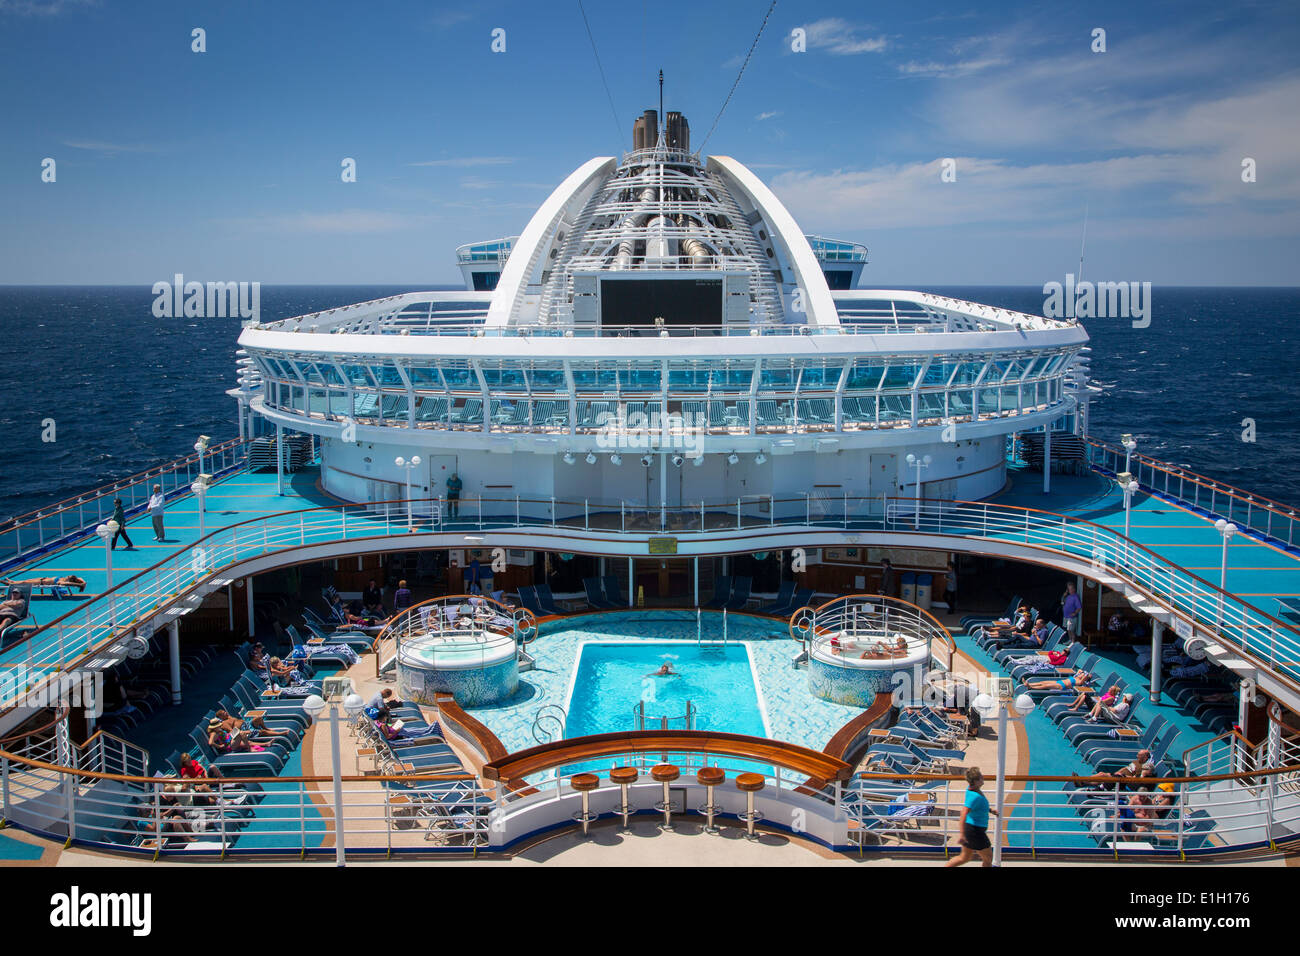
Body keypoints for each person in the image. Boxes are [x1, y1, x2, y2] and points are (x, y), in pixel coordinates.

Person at [946, 766, 995, 867]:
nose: (983, 778)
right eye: (981, 777)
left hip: (972, 830)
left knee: (964, 858)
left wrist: (990, 810)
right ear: (976, 781)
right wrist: (962, 835)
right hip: (975, 831)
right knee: (988, 858)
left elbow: (978, 807)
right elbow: (963, 814)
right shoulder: (974, 796)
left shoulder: (972, 790)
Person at [1024, 668, 1092, 692]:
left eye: (1082, 674)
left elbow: (1086, 676)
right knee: (1043, 682)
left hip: (1062, 686)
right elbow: (1080, 670)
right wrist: (1082, 673)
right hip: (1059, 682)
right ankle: (1029, 684)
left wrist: (1086, 675)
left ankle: (1031, 687)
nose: (1081, 674)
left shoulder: (1079, 681)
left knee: (1046, 685)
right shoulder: (1076, 677)